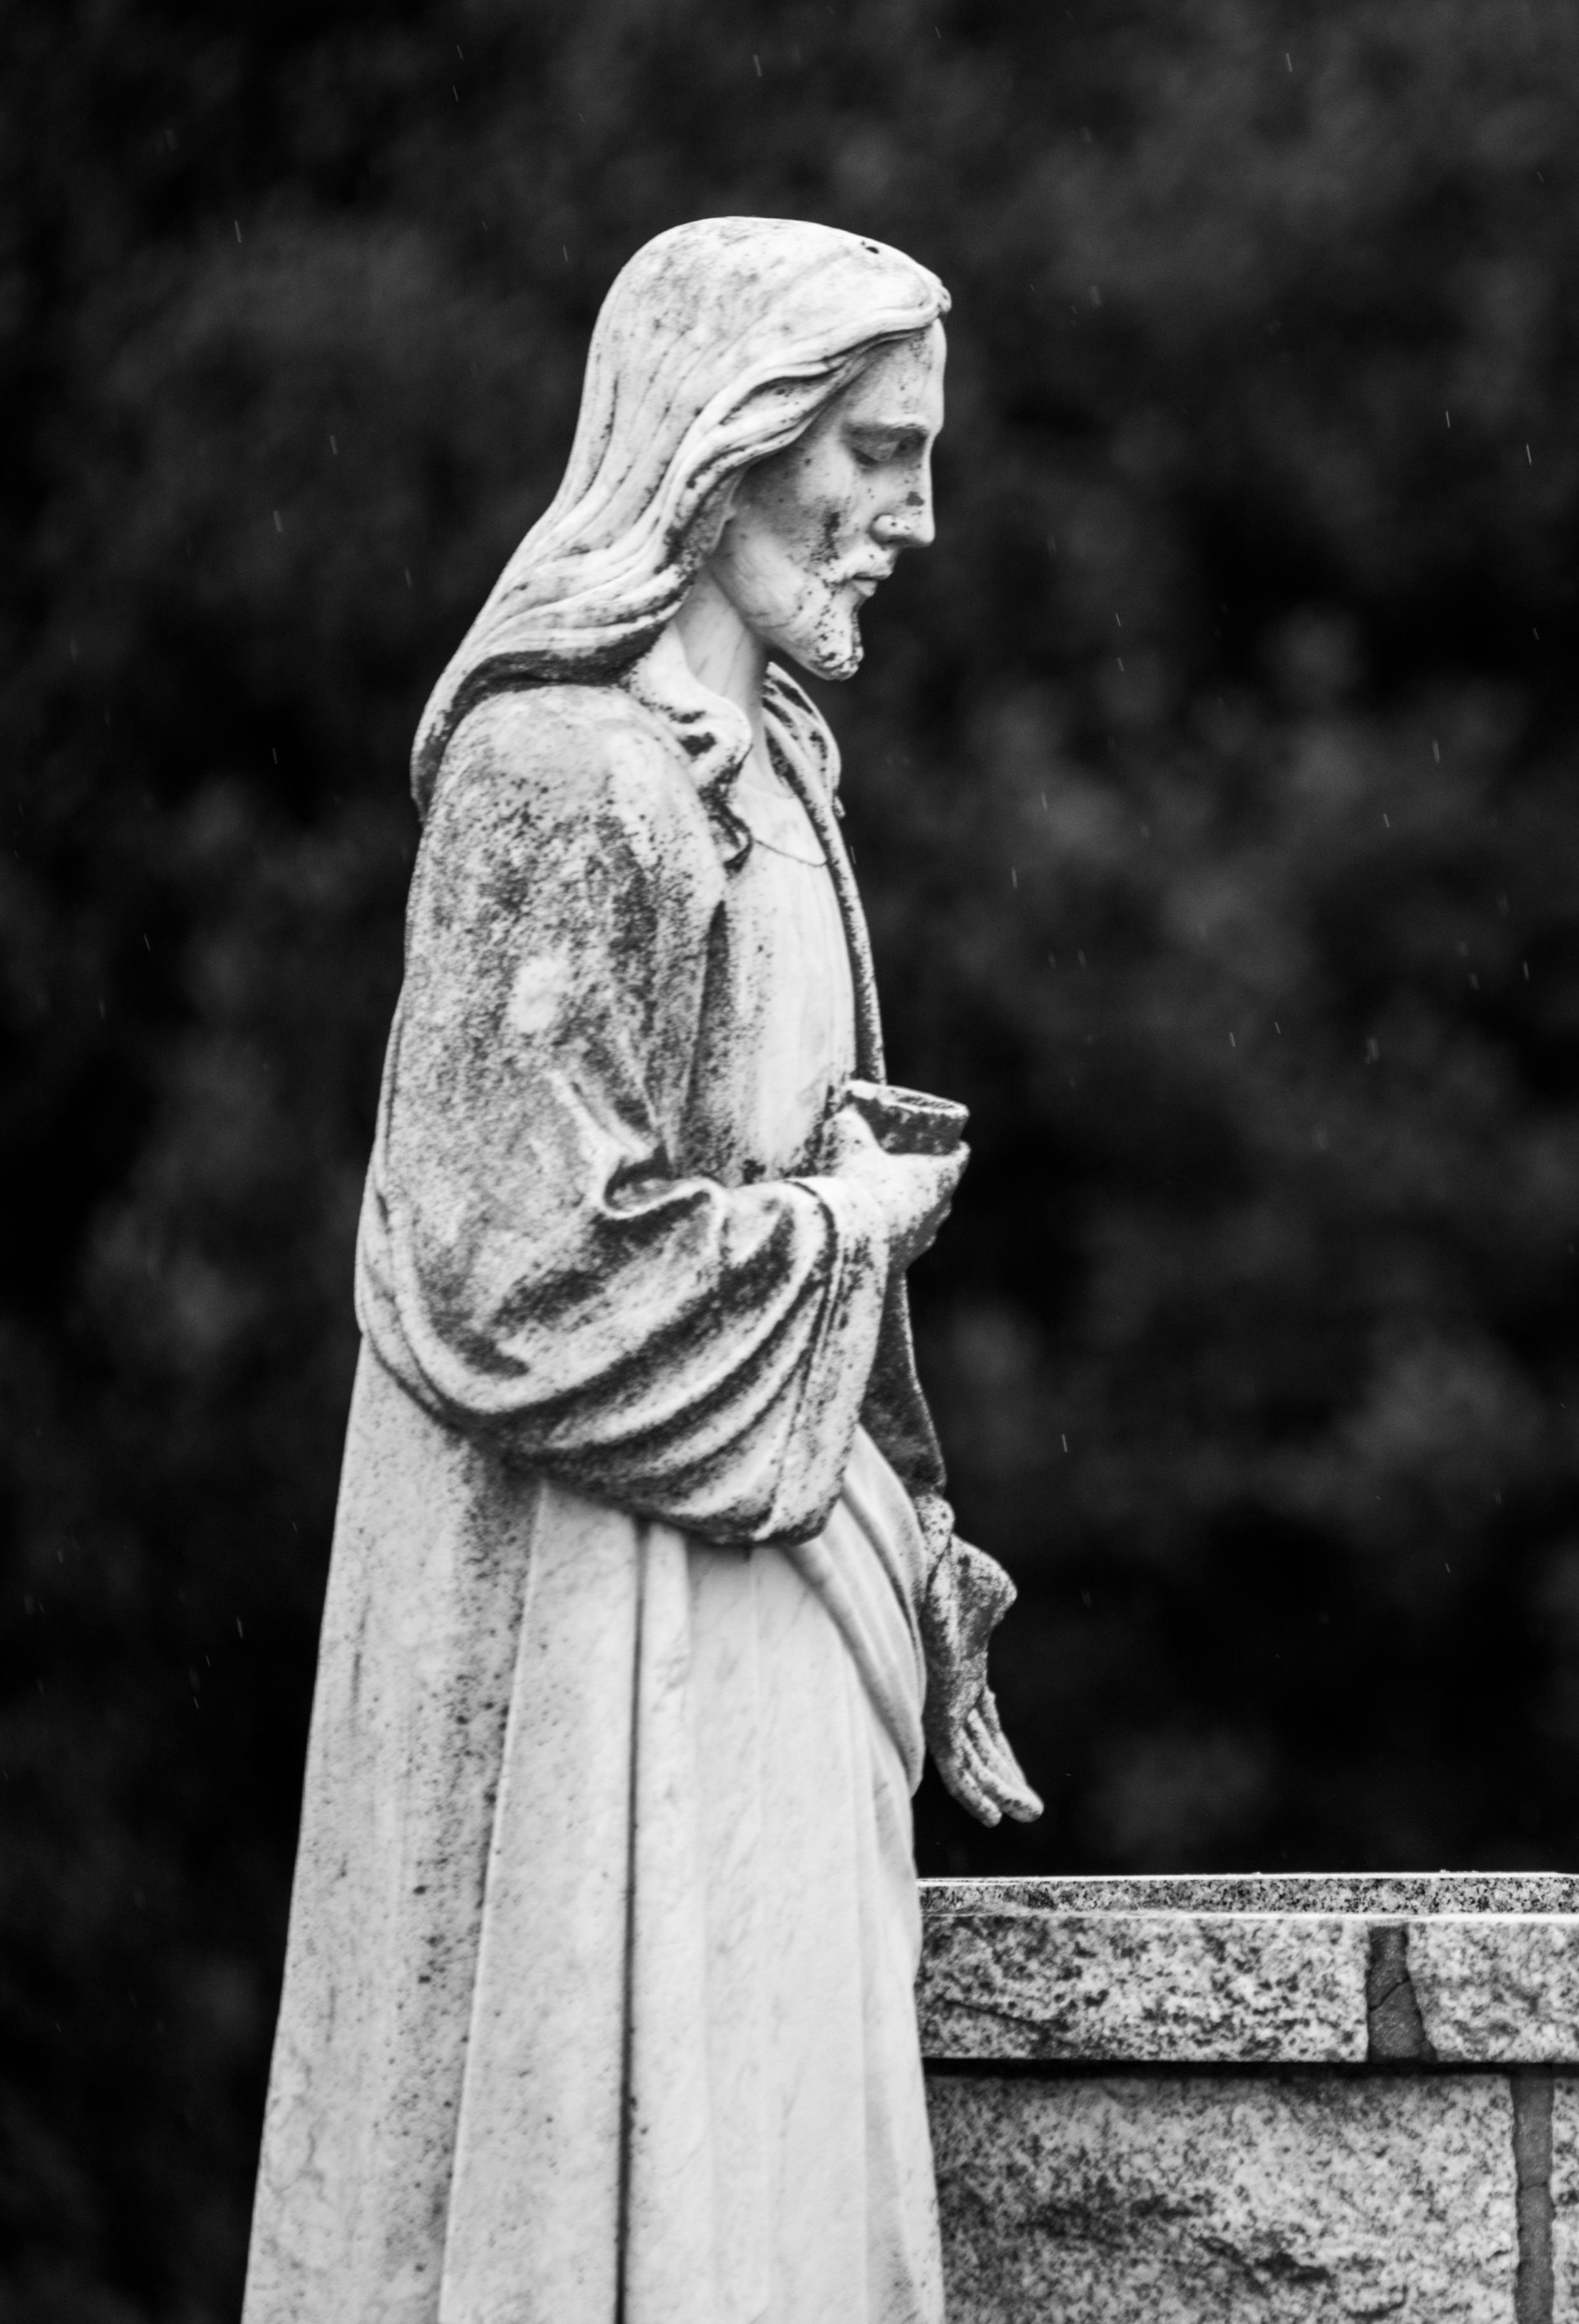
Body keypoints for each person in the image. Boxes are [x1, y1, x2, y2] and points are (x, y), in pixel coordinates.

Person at [245, 218, 1038, 2324]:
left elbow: (736, 1206)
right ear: (724, 443)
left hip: (765, 1615)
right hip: (602, 1649)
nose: (915, 517)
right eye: (872, 452)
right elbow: (510, 1271)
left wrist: (913, 1535)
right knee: (629, 2212)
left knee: (775, 2208)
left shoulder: (779, 773)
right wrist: (839, 1228)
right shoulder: (565, 775)